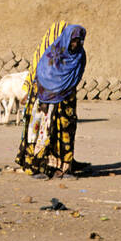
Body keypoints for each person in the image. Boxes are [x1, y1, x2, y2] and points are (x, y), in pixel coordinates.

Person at [15, 20, 88, 178]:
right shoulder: (52, 54)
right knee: (43, 132)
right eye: (73, 41)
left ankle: (63, 169)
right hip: (45, 99)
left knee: (66, 133)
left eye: (79, 41)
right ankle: (37, 168)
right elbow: (44, 76)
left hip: (67, 101)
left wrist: (64, 90)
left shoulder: (80, 56)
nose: (76, 44)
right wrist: (47, 98)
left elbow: (77, 76)